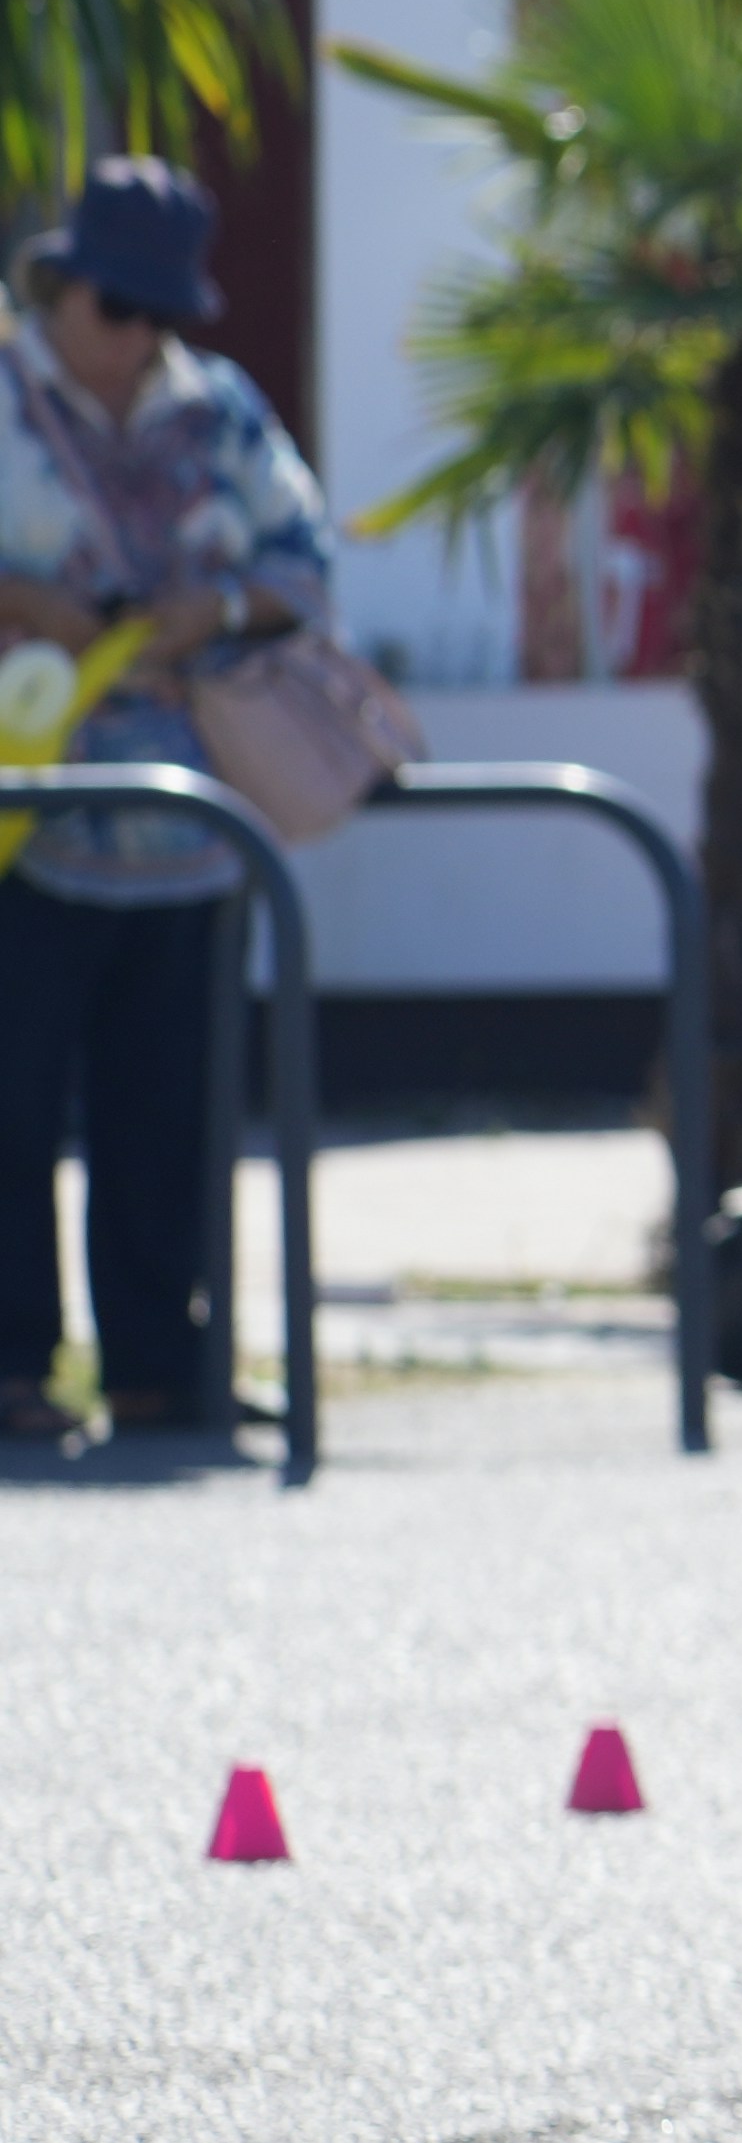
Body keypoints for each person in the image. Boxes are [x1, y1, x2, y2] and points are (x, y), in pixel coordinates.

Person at [0, 160, 330, 1448]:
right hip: (24, 817)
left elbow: (306, 565)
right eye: (116, 307)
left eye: (159, 314)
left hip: (193, 816)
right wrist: (29, 605)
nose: (138, 339)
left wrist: (218, 609)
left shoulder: (222, 413)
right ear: (59, 286)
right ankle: (12, 1368)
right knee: (10, 1105)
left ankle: (158, 1365)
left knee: (170, 1109)